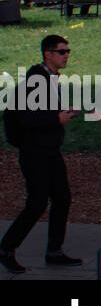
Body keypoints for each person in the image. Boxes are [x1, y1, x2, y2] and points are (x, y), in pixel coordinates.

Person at [0, 35, 83, 273]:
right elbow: (25, 118)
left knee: (62, 198)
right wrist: (57, 118)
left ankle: (54, 251)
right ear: (48, 54)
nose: (67, 55)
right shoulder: (37, 80)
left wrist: (61, 114)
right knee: (37, 203)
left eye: (68, 51)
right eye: (62, 51)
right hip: (35, 153)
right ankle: (6, 248)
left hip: (49, 150)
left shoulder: (47, 78)